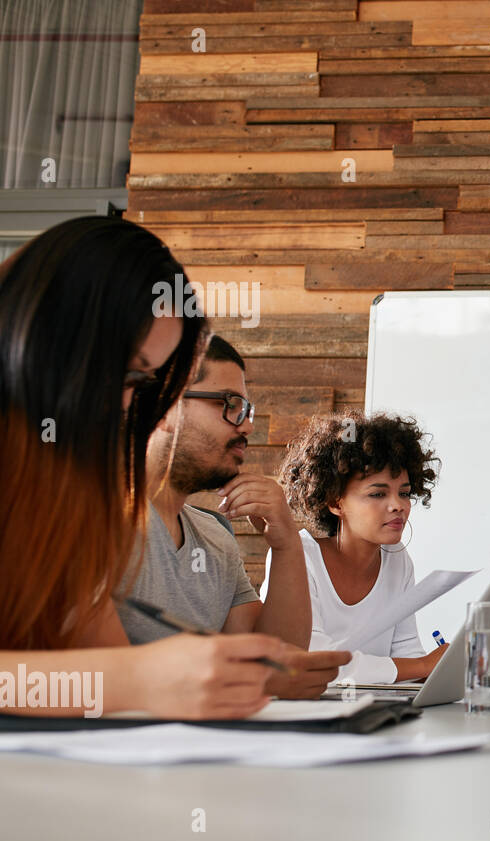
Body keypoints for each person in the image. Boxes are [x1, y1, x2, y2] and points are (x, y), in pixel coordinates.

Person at [1, 216, 291, 719]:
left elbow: (92, 667)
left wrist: (177, 681)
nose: (126, 407)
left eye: (144, 385)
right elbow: (111, 678)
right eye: (130, 374)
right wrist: (140, 678)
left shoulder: (67, 487)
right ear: (53, 335)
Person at [115, 335, 350, 699]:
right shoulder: (93, 522)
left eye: (246, 409)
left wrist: (286, 542)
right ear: (163, 408)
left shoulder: (214, 536)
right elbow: (97, 673)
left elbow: (277, 659)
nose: (246, 426)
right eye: (229, 404)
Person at [277, 411, 447, 684]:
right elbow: (315, 663)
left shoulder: (397, 559)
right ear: (335, 502)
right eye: (377, 494)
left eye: (404, 492)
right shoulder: (296, 556)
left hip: (375, 716)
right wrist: (425, 665)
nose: (398, 505)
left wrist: (456, 667)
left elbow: (408, 654)